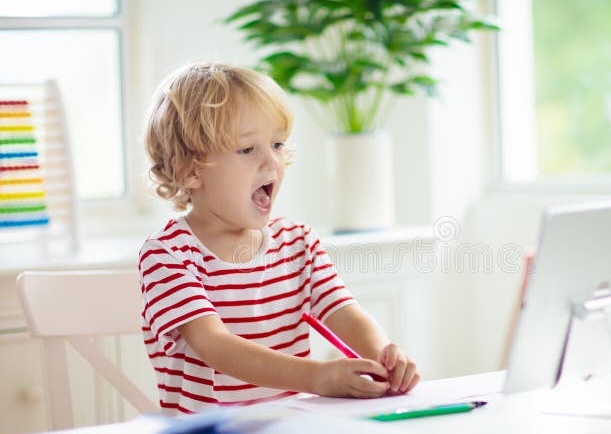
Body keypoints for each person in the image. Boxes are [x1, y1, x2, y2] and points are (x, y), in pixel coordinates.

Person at [139, 62, 419, 414]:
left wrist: (383, 354)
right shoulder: (168, 254)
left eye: (276, 144)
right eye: (246, 149)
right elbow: (214, 345)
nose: (271, 160)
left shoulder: (298, 243)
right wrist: (316, 377)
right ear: (190, 170)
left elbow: (345, 312)